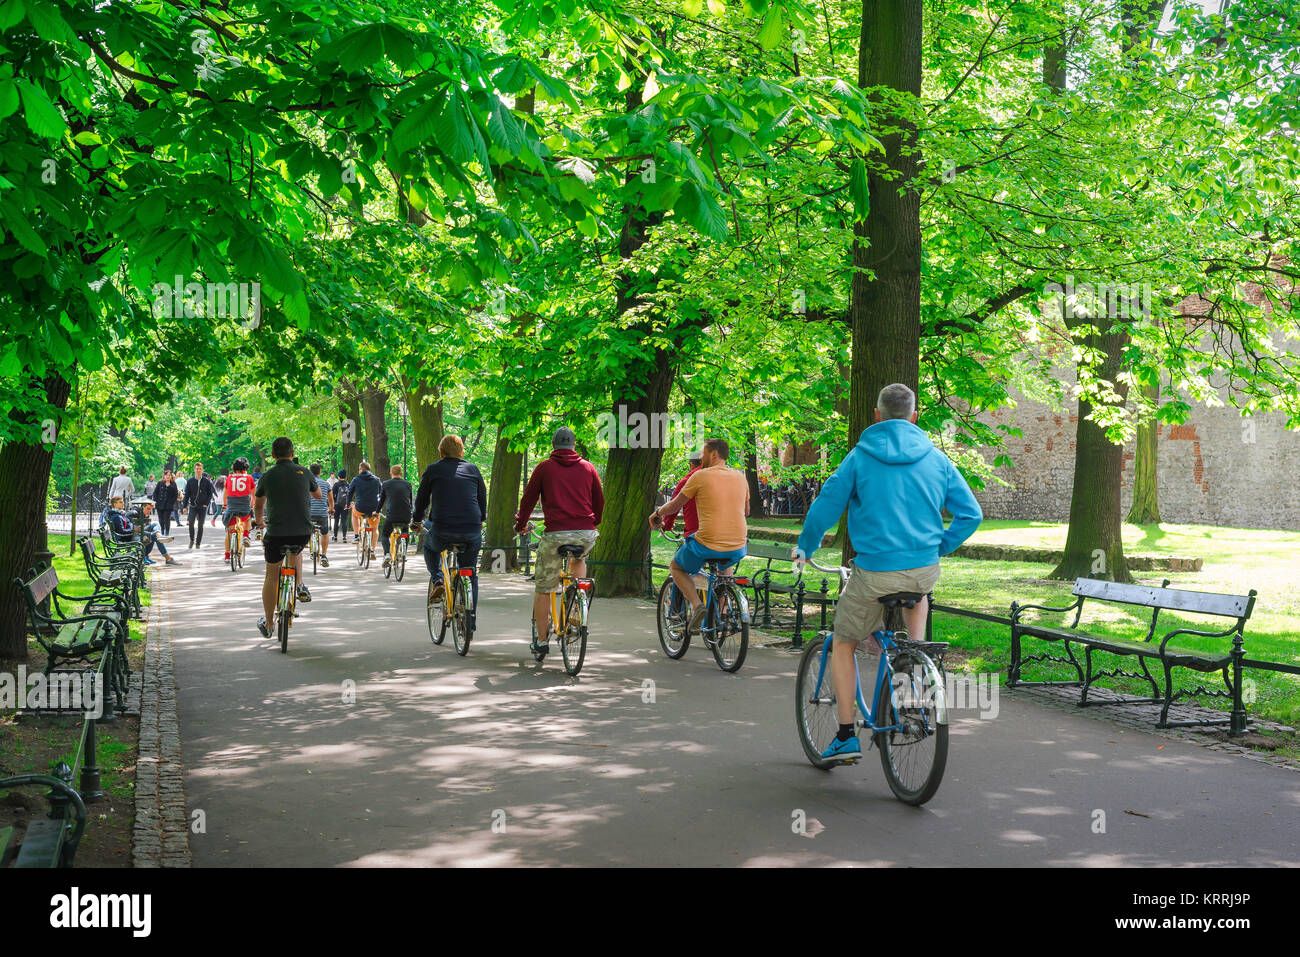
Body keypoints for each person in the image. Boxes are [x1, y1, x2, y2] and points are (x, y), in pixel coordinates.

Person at [793, 383, 983, 764]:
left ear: (876, 415)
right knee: (918, 603)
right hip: (922, 570)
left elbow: (824, 507)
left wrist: (806, 547)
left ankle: (846, 735)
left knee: (843, 641)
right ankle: (913, 676)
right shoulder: (937, 459)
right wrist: (940, 546)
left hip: (875, 572)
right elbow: (971, 514)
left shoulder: (859, 458)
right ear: (914, 416)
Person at [515, 427, 603, 657]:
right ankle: (576, 598)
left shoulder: (544, 467)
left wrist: (520, 524)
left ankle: (542, 641)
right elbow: (599, 500)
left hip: (556, 534)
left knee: (544, 587)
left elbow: (528, 500)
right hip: (585, 532)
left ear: (554, 445)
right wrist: (594, 521)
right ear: (574, 445)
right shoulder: (588, 467)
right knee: (579, 557)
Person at [650, 437, 748, 635]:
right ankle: (720, 615)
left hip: (707, 542)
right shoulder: (741, 477)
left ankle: (696, 606)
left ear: (713, 454)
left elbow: (675, 504)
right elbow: (746, 510)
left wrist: (658, 514)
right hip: (739, 545)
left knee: (676, 567)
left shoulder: (700, 476)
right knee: (723, 571)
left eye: (703, 453)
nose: (700, 457)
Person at [252, 437, 320, 637]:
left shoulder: (267, 476)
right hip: (302, 532)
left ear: (273, 455)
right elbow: (317, 495)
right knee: (296, 550)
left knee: (272, 575)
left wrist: (259, 521)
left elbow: (258, 504)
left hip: (276, 533)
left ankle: (269, 623)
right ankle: (299, 585)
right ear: (292, 453)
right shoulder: (304, 472)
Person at [413, 435, 486, 609]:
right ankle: (470, 621)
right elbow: (482, 498)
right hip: (471, 530)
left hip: (443, 529)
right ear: (461, 453)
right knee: (470, 572)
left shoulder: (433, 470)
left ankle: (438, 579)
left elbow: (421, 499)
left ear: (441, 453)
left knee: (429, 547)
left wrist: (416, 521)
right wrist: (480, 520)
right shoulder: (473, 470)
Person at [377, 464, 414, 568]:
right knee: (405, 533)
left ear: (390, 473)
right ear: (401, 473)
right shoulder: (408, 484)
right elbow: (410, 501)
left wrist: (376, 511)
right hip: (405, 515)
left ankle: (387, 554)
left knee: (384, 535)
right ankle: (403, 553)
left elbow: (382, 501)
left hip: (392, 516)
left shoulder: (386, 484)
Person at [221, 458, 256, 561]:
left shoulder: (229, 477)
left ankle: (227, 555)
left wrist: (225, 506)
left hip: (232, 507)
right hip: (244, 507)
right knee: (248, 517)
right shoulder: (249, 478)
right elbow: (254, 495)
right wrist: (252, 505)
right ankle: (246, 534)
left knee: (230, 531)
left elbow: (225, 495)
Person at [348, 462, 383, 557]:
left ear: (360, 470)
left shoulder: (356, 479)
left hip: (360, 508)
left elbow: (350, 493)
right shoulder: (377, 480)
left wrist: (348, 504)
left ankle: (356, 536)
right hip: (374, 509)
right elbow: (382, 493)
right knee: (375, 528)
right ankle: (372, 549)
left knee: (354, 514)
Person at [181, 462, 216, 549]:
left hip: (202, 506)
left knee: (200, 525)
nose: (198, 470)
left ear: (202, 470)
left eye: (200, 469)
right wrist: (184, 506)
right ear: (194, 470)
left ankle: (198, 542)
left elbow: (210, 493)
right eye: (197, 469)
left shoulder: (206, 481)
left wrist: (206, 504)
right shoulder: (190, 481)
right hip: (193, 506)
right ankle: (192, 540)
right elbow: (187, 495)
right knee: (191, 523)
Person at [308, 463, 332, 567]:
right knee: (325, 532)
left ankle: (310, 546)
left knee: (307, 529)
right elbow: (331, 499)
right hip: (322, 513)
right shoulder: (325, 484)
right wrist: (332, 509)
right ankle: (324, 555)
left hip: (309, 513)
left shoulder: (306, 483)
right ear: (319, 472)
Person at [152, 470, 179, 536]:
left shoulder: (173, 484)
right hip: (160, 504)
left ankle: (167, 532)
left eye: (169, 475)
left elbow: (175, 494)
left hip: (168, 505)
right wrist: (156, 501)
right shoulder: (160, 483)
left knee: (166, 519)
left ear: (171, 476)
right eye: (167, 475)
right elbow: (155, 493)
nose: (168, 476)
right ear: (164, 476)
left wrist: (172, 502)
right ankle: (162, 532)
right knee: (161, 519)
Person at [331, 469, 350, 541]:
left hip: (337, 505)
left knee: (336, 520)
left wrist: (333, 505)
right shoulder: (348, 484)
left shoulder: (336, 485)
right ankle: (344, 537)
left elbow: (332, 496)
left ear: (338, 476)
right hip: (345, 505)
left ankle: (335, 537)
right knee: (344, 520)